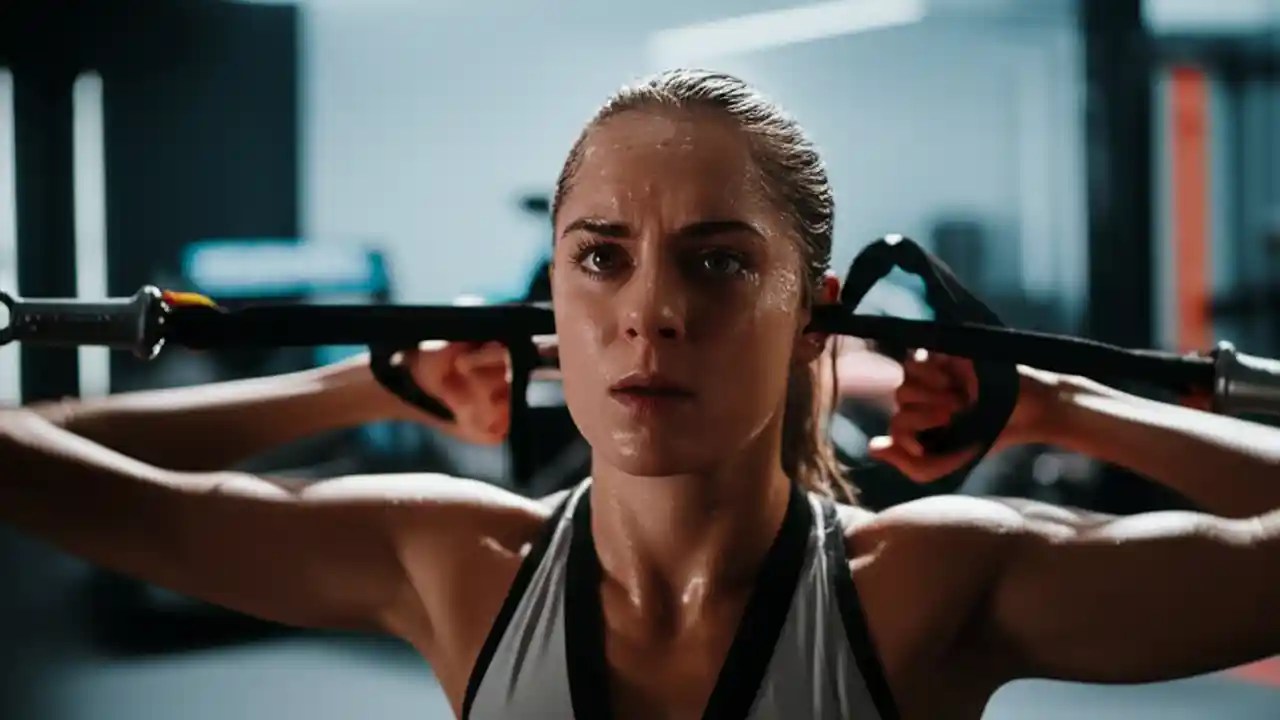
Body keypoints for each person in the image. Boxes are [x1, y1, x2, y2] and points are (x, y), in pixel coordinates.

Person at [0, 69, 1276, 720]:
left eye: (719, 263)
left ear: (810, 310)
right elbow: (19, 453)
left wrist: (1063, 410)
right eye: (600, 256)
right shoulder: (455, 561)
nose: (650, 310)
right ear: (553, 288)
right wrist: (339, 389)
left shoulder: (924, 587)